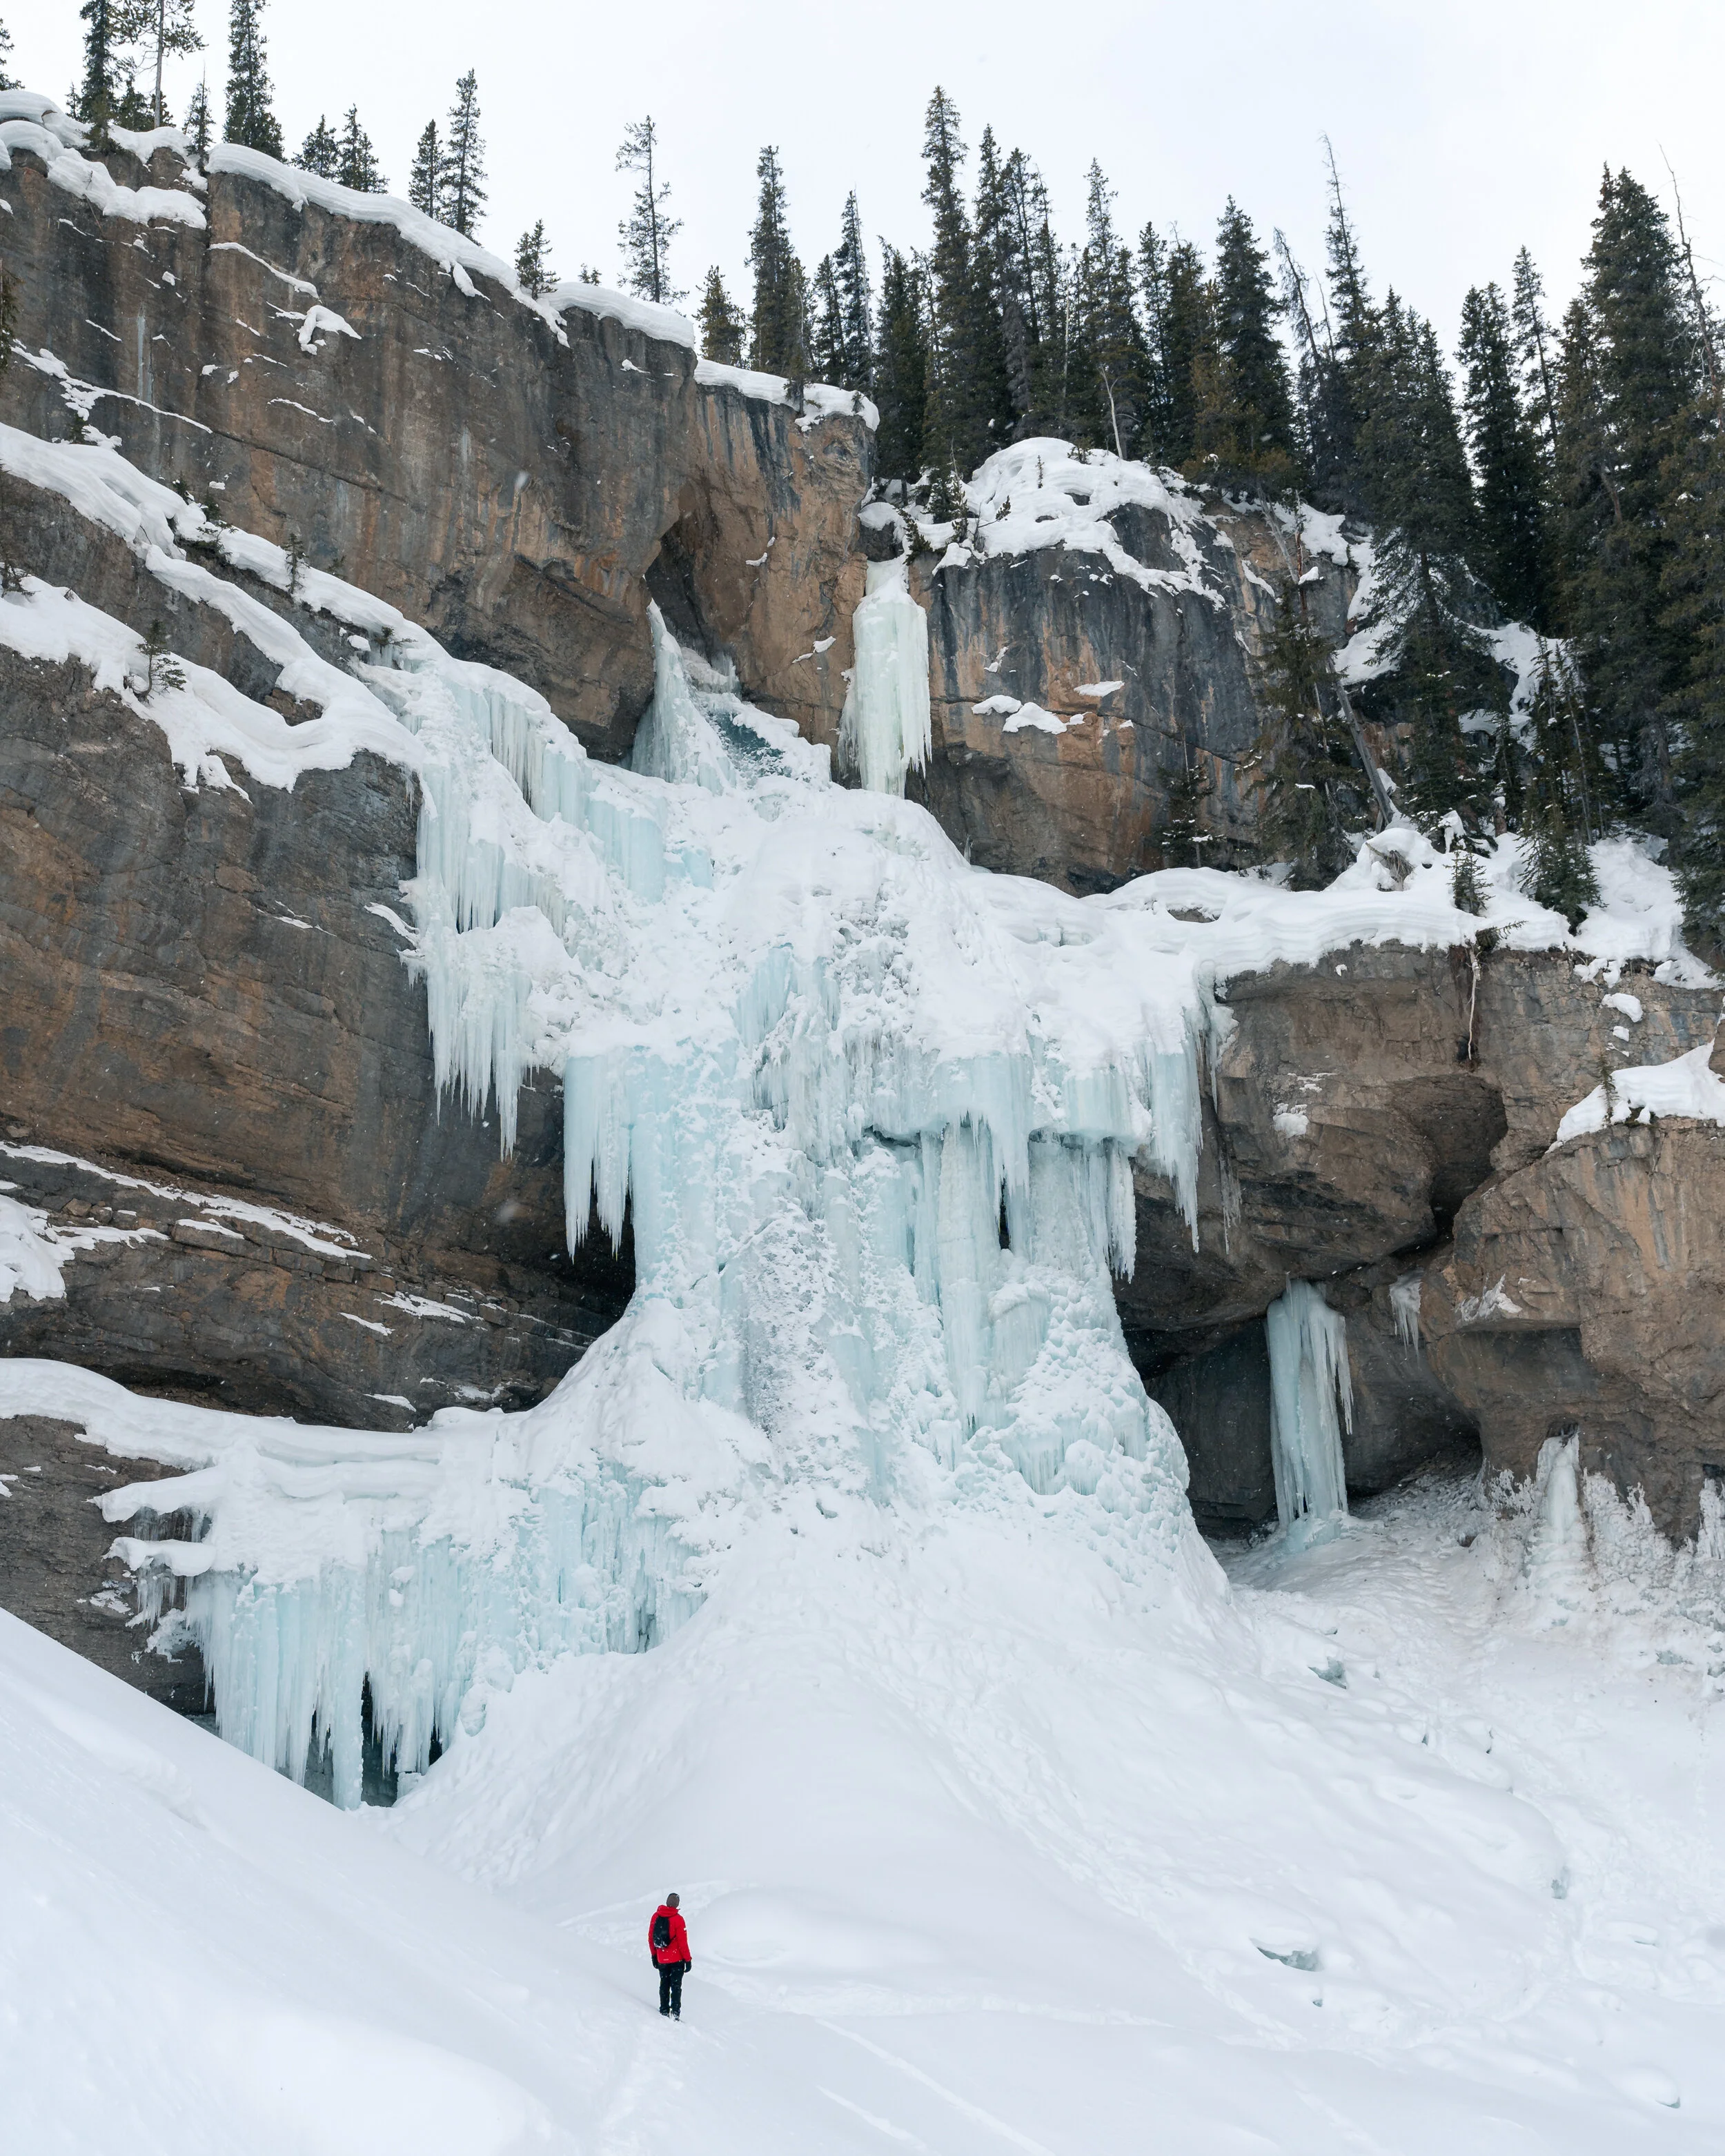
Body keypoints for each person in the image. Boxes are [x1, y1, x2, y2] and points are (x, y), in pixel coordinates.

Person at [648, 1890, 691, 2018]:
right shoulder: (678, 1920)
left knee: (664, 1984)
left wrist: (654, 1956)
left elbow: (651, 1938)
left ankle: (664, 2010)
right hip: (677, 1960)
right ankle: (675, 2013)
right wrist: (688, 1960)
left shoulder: (656, 1916)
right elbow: (683, 1943)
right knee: (676, 1987)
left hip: (662, 1959)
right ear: (677, 1904)